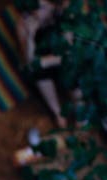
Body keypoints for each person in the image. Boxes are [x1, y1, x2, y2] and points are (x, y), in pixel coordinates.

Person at [16, 0, 69, 128]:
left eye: (41, 7)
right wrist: (30, 37)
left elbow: (70, 51)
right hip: (45, 60)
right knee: (36, 72)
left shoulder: (63, 13)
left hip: (62, 57)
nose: (36, 13)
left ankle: (81, 116)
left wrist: (46, 61)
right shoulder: (24, 23)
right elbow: (29, 60)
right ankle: (58, 113)